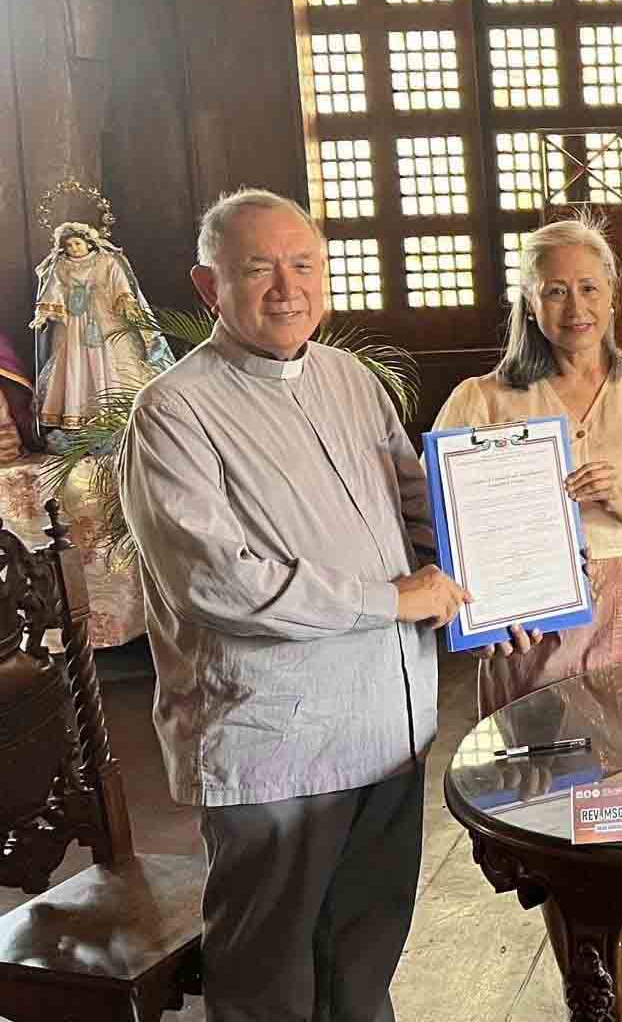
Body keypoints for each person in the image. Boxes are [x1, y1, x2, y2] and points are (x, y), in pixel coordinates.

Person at [120, 189, 469, 1022]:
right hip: (276, 741)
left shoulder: (349, 380)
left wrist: (492, 574)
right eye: (258, 268)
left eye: (304, 264)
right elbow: (220, 582)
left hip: (389, 727)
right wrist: (388, 599)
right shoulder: (174, 411)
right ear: (209, 287)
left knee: (365, 954)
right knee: (266, 974)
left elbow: (421, 508)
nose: (287, 287)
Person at [435, 213, 622, 715]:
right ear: (529, 302)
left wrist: (621, 498)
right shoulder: (480, 401)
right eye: (555, 292)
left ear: (612, 293)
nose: (576, 308)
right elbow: (449, 530)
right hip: (530, 617)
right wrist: (481, 611)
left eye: (589, 288)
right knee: (538, 773)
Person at [31, 221, 175, 446]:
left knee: (111, 361)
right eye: (68, 246)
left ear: (89, 242)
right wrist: (44, 313)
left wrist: (126, 303)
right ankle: (78, 419)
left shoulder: (107, 261)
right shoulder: (60, 266)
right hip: (73, 323)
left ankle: (113, 417)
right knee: (73, 364)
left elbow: (120, 285)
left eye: (77, 243)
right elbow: (52, 289)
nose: (74, 249)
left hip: (105, 316)